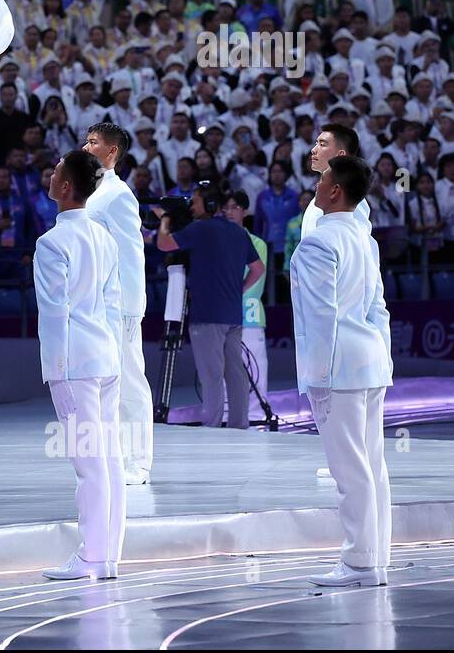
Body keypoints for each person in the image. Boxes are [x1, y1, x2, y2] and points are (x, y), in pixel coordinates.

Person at [290, 156, 392, 587]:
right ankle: (374, 556)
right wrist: (383, 357)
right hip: (368, 360)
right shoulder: (364, 239)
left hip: (339, 368)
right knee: (369, 464)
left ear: (335, 191)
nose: (317, 182)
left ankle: (359, 562)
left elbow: (321, 316)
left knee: (350, 470)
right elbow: (377, 308)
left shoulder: (318, 242)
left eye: (324, 177)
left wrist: (318, 377)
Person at [35, 149, 124, 580]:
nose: (50, 176)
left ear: (66, 186)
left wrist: (55, 369)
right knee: (108, 460)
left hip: (74, 362)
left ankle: (93, 555)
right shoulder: (104, 237)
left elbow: (54, 312)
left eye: (55, 172)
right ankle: (106, 554)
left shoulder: (52, 243)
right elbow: (110, 303)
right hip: (105, 356)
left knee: (89, 464)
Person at [156, 181, 265, 428]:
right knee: (235, 373)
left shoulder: (200, 229)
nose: (191, 206)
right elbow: (258, 269)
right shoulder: (239, 232)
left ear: (210, 204)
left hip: (207, 316)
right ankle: (239, 425)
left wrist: (164, 219)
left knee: (211, 376)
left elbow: (163, 244)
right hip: (232, 314)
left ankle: (213, 428)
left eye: (194, 201)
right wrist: (239, 290)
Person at [82, 122, 151, 484]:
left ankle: (138, 461)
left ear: (111, 152)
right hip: (93, 302)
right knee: (106, 381)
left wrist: (131, 306)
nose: (85, 146)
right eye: (86, 140)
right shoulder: (88, 192)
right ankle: (115, 455)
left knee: (130, 380)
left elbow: (131, 253)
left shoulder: (118, 194)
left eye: (93, 142)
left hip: (118, 303)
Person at [224, 191, 269, 425]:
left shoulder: (258, 244)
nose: (229, 212)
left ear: (244, 211)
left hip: (249, 315)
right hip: (224, 316)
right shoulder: (219, 242)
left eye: (234, 207)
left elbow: (255, 279)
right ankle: (225, 416)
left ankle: (257, 417)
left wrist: (231, 293)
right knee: (224, 372)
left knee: (255, 373)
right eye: (226, 208)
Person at [300, 123, 371, 238]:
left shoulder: (351, 197)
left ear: (340, 155)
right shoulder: (320, 195)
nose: (313, 150)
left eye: (322, 144)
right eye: (316, 143)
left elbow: (359, 245)